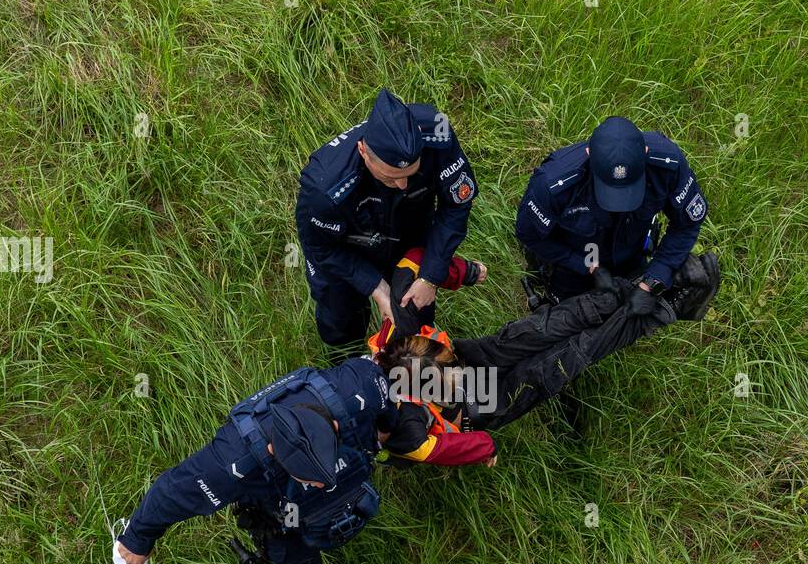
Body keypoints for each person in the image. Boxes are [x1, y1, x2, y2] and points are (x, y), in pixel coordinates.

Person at [112, 358, 395, 564]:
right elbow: (170, 492)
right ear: (274, 452)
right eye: (310, 478)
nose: (321, 482)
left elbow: (387, 404)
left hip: (348, 492)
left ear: (333, 428)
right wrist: (137, 540)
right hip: (281, 522)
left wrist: (381, 434)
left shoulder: (358, 385)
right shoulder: (230, 463)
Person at [371, 251, 720, 463]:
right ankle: (671, 307)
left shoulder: (398, 328)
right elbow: (439, 449)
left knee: (540, 329)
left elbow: (412, 262)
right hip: (484, 405)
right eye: (452, 381)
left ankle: (650, 283)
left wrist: (460, 272)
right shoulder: (407, 426)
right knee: (564, 358)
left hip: (475, 356)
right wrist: (483, 447)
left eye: (450, 363)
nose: (457, 374)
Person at [296, 88, 486, 349]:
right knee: (339, 317)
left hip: (409, 226)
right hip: (348, 245)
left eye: (411, 173)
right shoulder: (325, 186)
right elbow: (320, 248)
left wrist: (430, 276)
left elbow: (457, 204)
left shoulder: (436, 133)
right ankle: (343, 363)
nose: (403, 184)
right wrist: (375, 286)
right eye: (390, 177)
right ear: (363, 152)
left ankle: (406, 371)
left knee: (414, 307)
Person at [515, 116, 707, 308]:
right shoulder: (553, 184)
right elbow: (529, 235)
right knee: (571, 319)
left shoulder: (667, 165)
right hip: (573, 261)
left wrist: (653, 280)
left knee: (627, 313)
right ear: (589, 154)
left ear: (645, 152)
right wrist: (587, 266)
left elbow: (687, 224)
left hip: (632, 253)